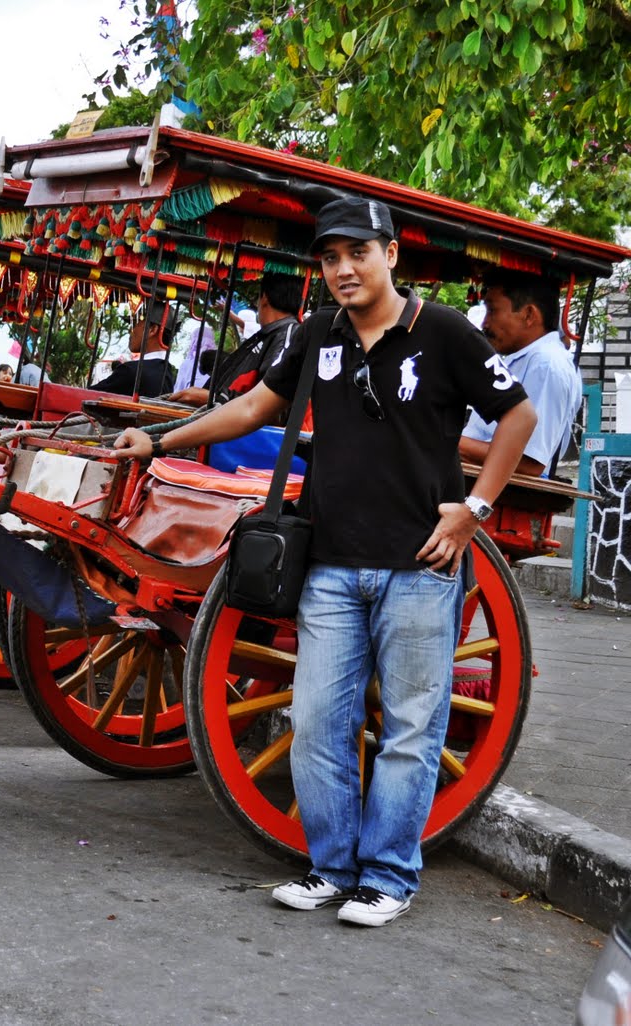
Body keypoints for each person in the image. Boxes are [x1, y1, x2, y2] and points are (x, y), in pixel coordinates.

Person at [113, 195, 536, 928]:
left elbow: (518, 415)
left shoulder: (442, 332)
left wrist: (479, 508)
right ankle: (332, 868)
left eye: (358, 254)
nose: (344, 269)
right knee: (316, 721)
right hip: (332, 567)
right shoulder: (318, 333)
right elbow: (249, 412)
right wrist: (159, 442)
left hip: (420, 568)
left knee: (409, 728)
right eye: (330, 258)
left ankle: (390, 880)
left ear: (390, 254)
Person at [459, 270, 582, 478]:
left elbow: (529, 463)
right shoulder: (524, 359)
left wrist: (449, 442)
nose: (484, 324)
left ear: (529, 315)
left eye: (493, 311)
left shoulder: (546, 365)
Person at [168, 272, 306, 407]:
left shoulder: (286, 338)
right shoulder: (267, 334)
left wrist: (212, 398)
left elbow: (268, 404)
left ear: (264, 298)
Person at [89, 300, 179, 398]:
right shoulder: (170, 375)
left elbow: (86, 396)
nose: (130, 331)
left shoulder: (131, 371)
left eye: (135, 324)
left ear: (152, 330)